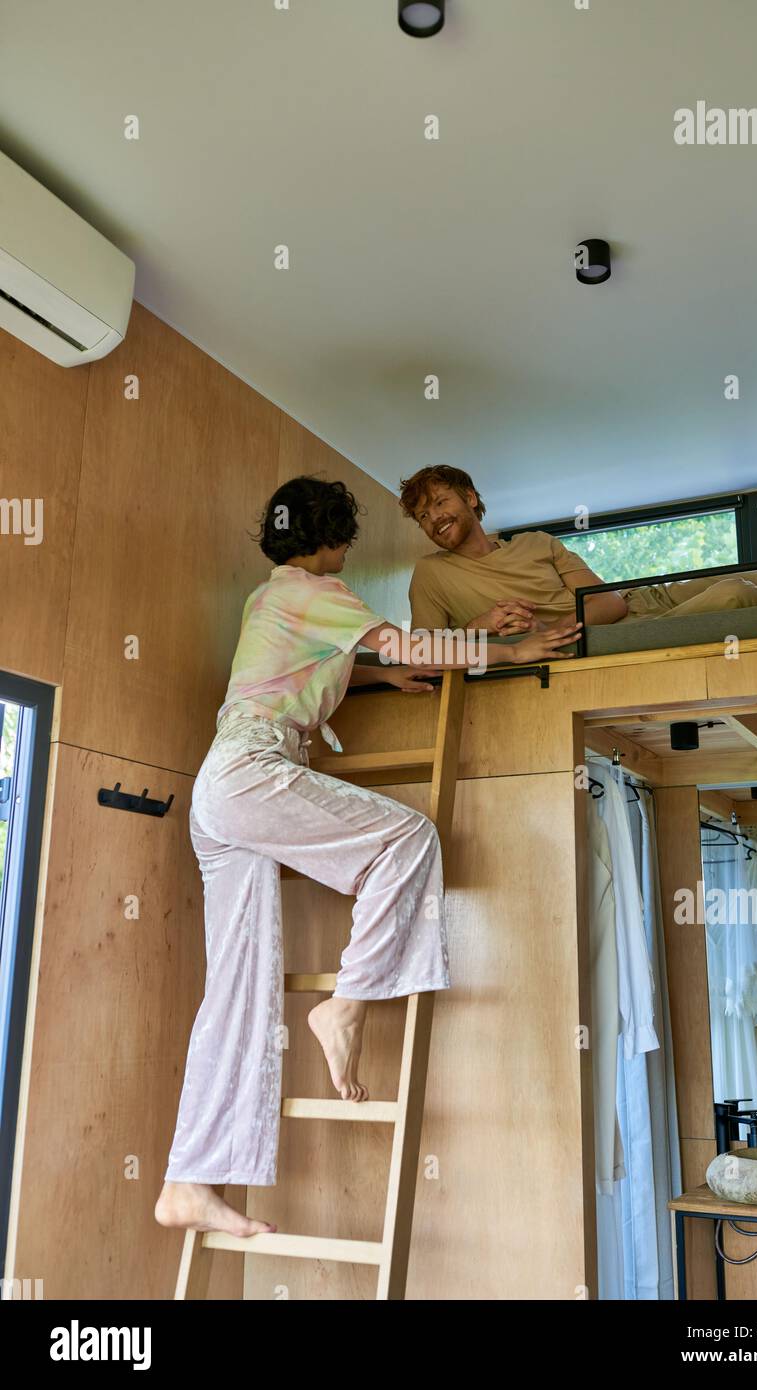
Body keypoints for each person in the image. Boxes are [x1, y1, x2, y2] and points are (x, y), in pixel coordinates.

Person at [155, 475, 578, 1239]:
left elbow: (316, 669)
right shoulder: (313, 589)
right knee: (409, 838)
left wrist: (382, 675)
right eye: (347, 538)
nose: (348, 552)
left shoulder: (272, 597)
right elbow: (410, 639)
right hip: (253, 770)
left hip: (222, 791)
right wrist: (515, 644)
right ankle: (346, 1006)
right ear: (330, 537)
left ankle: (187, 1182)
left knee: (236, 990)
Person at [398, 466, 757, 636]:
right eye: (422, 516)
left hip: (638, 603)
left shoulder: (536, 542)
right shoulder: (432, 573)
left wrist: (553, 625)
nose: (433, 518)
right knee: (736, 595)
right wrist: (480, 625)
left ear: (470, 498)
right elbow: (424, 652)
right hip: (603, 635)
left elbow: (611, 602)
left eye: (440, 503)